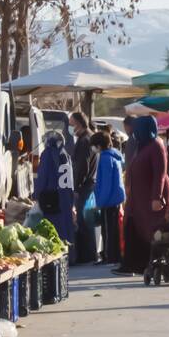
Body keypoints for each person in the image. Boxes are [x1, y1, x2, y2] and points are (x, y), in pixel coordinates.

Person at [123, 115, 169, 278]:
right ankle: (135, 264)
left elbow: (160, 173)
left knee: (151, 230)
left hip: (151, 197)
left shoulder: (156, 146)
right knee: (134, 226)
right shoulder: (142, 146)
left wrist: (156, 197)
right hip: (139, 197)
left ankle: (151, 264)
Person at [33, 131, 76, 249]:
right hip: (66, 195)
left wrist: (36, 194)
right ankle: (70, 254)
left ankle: (57, 252)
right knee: (66, 226)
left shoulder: (47, 154)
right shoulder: (66, 155)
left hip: (51, 197)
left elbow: (42, 176)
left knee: (54, 228)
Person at [92, 131, 126, 267]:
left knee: (108, 230)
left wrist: (100, 202)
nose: (93, 149)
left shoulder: (105, 159)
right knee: (113, 229)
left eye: (94, 146)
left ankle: (110, 256)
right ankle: (113, 255)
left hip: (109, 199)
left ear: (99, 146)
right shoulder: (115, 155)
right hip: (116, 198)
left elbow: (105, 184)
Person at [69, 111, 98, 265]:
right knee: (86, 219)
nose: (70, 127)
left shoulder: (84, 140)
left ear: (78, 124)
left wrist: (76, 185)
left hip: (84, 186)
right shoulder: (89, 137)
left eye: (71, 123)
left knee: (83, 220)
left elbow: (82, 165)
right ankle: (89, 254)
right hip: (88, 184)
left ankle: (87, 256)